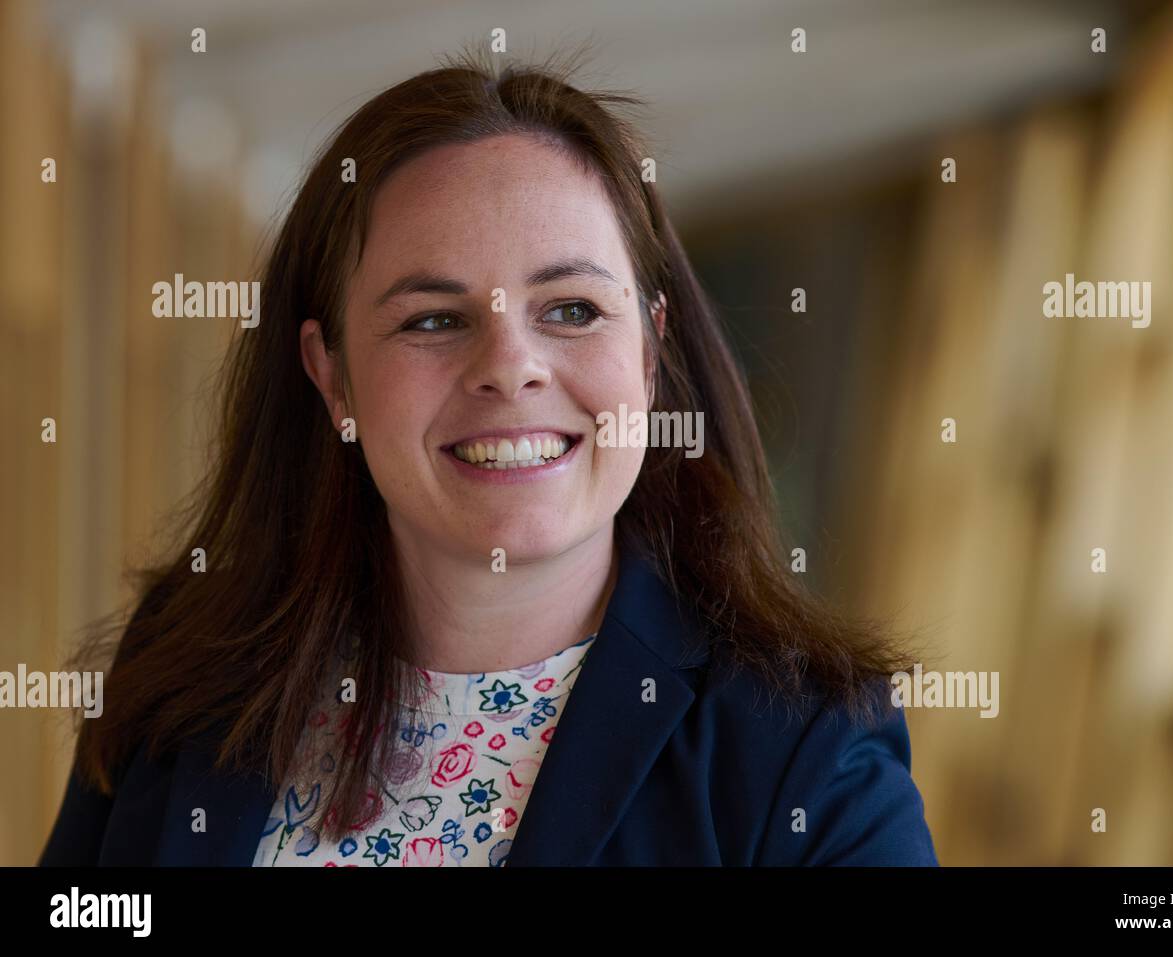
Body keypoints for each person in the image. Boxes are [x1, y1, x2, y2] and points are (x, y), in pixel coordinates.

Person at [38, 47, 938, 867]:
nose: (510, 368)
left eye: (572, 309)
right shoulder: (187, 673)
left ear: (651, 353)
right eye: (433, 319)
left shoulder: (805, 754)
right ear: (332, 376)